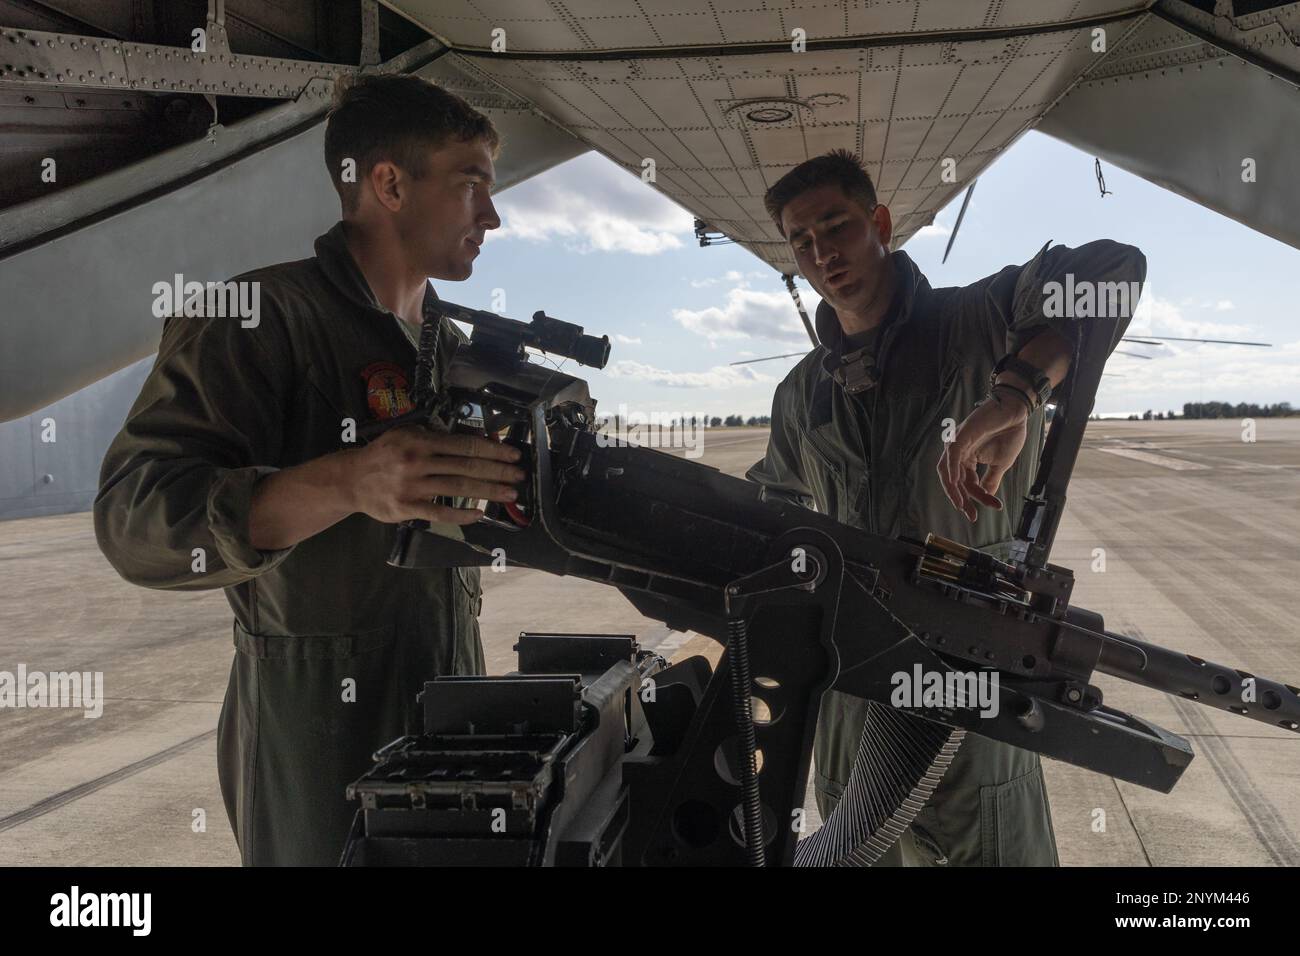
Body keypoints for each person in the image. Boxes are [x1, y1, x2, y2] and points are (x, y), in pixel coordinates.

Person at [94, 73, 523, 865]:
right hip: (312, 731)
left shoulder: (454, 356)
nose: (492, 216)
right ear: (389, 184)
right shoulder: (257, 320)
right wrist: (346, 482)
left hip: (451, 702)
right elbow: (134, 518)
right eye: (471, 187)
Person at [747, 149, 1144, 866]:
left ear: (881, 222)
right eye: (801, 242)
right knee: (848, 847)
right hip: (849, 692)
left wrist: (1019, 390)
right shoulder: (801, 393)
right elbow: (771, 510)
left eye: (836, 226)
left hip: (967, 684)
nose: (821, 253)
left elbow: (1112, 272)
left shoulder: (979, 322)